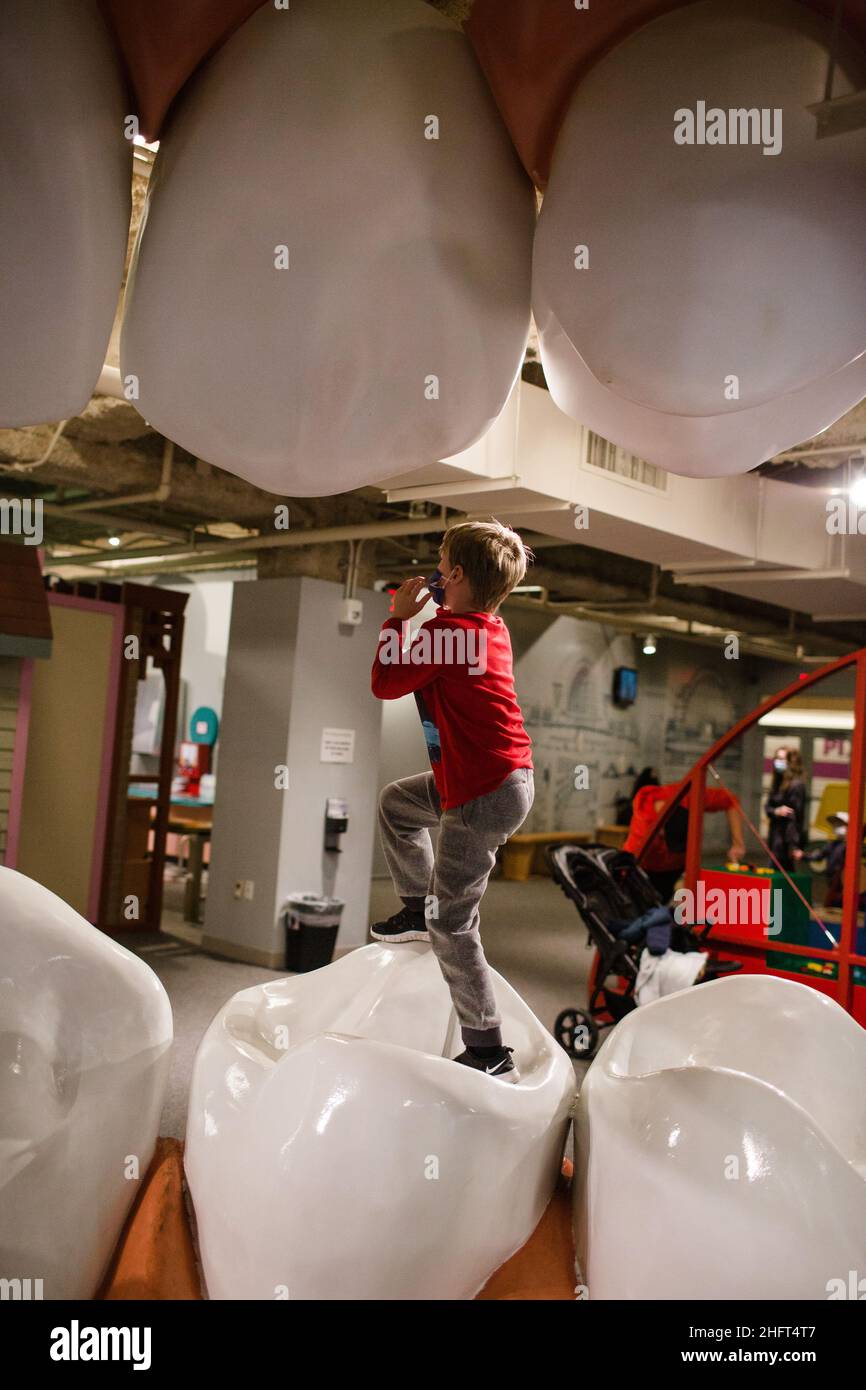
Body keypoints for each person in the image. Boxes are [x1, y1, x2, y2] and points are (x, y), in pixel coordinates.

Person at [370, 520, 534, 1082]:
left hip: (481, 792)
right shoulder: (486, 626)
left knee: (454, 922)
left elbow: (386, 681)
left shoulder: (448, 637)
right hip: (486, 780)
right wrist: (432, 609)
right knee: (397, 804)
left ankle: (488, 1047)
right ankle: (415, 907)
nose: (435, 572)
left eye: (442, 564)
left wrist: (397, 615)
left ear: (457, 574)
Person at [623, 773, 746, 902]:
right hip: (649, 869)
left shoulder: (689, 797)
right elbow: (626, 866)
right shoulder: (641, 835)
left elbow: (729, 800)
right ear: (661, 833)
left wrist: (738, 843)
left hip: (677, 868)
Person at [765, 747, 807, 872]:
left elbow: (796, 817)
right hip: (774, 836)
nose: (778, 761)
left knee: (781, 873)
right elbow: (768, 807)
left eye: (782, 758)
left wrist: (793, 845)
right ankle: (780, 892)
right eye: (777, 758)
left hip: (785, 840)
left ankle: (780, 893)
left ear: (791, 762)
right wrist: (776, 811)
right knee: (778, 871)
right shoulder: (777, 783)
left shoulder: (797, 786)